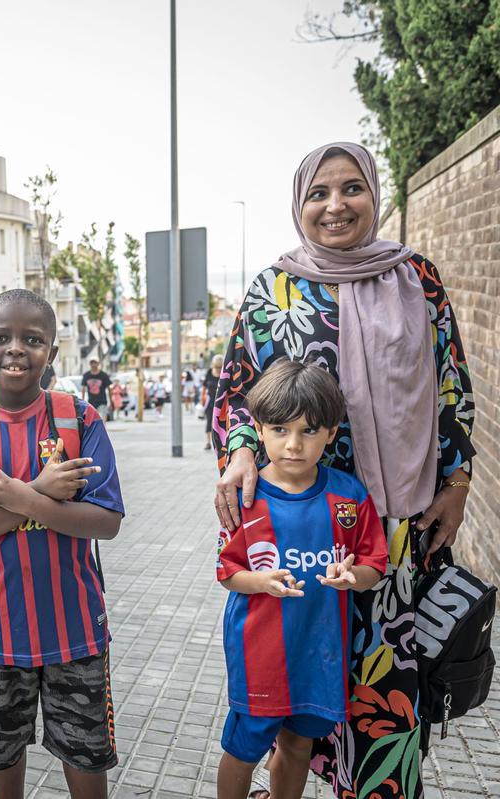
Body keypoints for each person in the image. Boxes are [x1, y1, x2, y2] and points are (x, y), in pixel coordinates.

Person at [212, 142, 475, 799]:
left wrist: (458, 481)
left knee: (387, 699)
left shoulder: (418, 276)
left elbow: (451, 386)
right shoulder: (274, 289)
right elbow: (236, 391)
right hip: (304, 529)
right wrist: (241, 449)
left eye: (351, 187)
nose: (335, 205)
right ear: (299, 204)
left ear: (375, 195)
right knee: (298, 707)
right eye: (318, 193)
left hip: (395, 529)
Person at [0, 289, 124, 799]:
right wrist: (37, 491)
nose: (15, 349)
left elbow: (105, 523)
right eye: (1, 338)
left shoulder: (80, 422)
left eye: (32, 340)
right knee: (0, 756)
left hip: (76, 633)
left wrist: (18, 500)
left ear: (52, 354)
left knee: (85, 755)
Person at [215, 360, 387, 799]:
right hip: (260, 656)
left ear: (331, 432)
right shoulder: (245, 499)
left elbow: (374, 564)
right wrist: (261, 582)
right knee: (243, 748)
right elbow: (228, 571)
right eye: (280, 430)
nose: (293, 444)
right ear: (259, 429)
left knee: (298, 744)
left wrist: (352, 577)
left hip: (319, 656)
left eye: (309, 431)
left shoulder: (348, 495)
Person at [201, 355, 222, 450]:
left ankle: (221, 442)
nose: (218, 369)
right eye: (216, 367)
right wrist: (202, 398)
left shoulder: (224, 373)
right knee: (209, 421)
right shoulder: (209, 372)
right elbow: (204, 387)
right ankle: (208, 442)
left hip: (221, 401)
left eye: (220, 367)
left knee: (221, 422)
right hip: (210, 401)